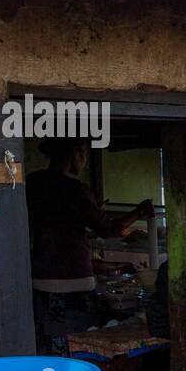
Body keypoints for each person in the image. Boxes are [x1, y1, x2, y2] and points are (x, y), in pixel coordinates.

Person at [26, 138, 153, 353]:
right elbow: (108, 229)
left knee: (51, 349)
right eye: (83, 153)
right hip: (73, 286)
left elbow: (60, 222)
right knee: (81, 348)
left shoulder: (33, 182)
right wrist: (139, 211)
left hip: (39, 281)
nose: (84, 160)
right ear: (74, 153)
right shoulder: (76, 189)